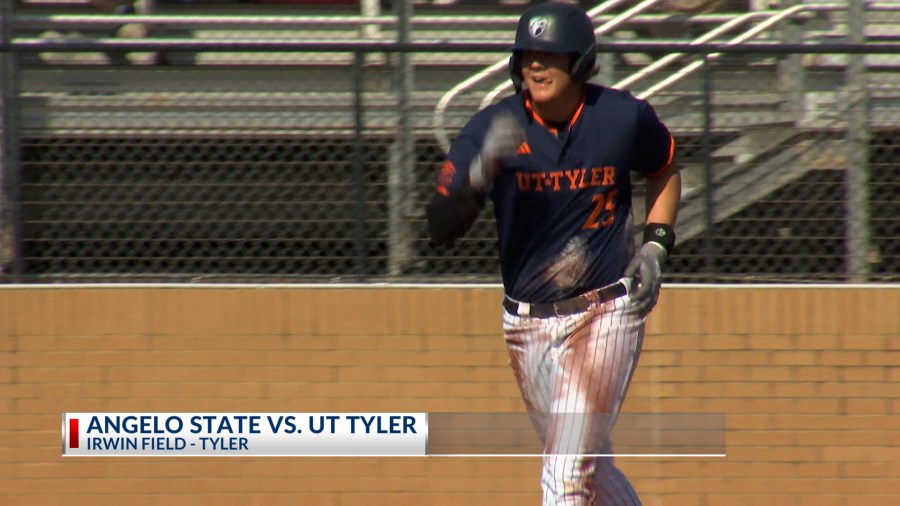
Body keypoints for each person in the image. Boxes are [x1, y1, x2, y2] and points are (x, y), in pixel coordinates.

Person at [426, 1, 681, 504]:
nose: (536, 66)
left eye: (550, 55)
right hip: (526, 325)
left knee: (564, 473)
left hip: (605, 312)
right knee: (589, 469)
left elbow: (665, 169)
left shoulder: (621, 116)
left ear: (580, 62)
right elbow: (438, 227)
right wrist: (477, 177)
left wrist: (655, 244)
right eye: (527, 56)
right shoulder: (493, 126)